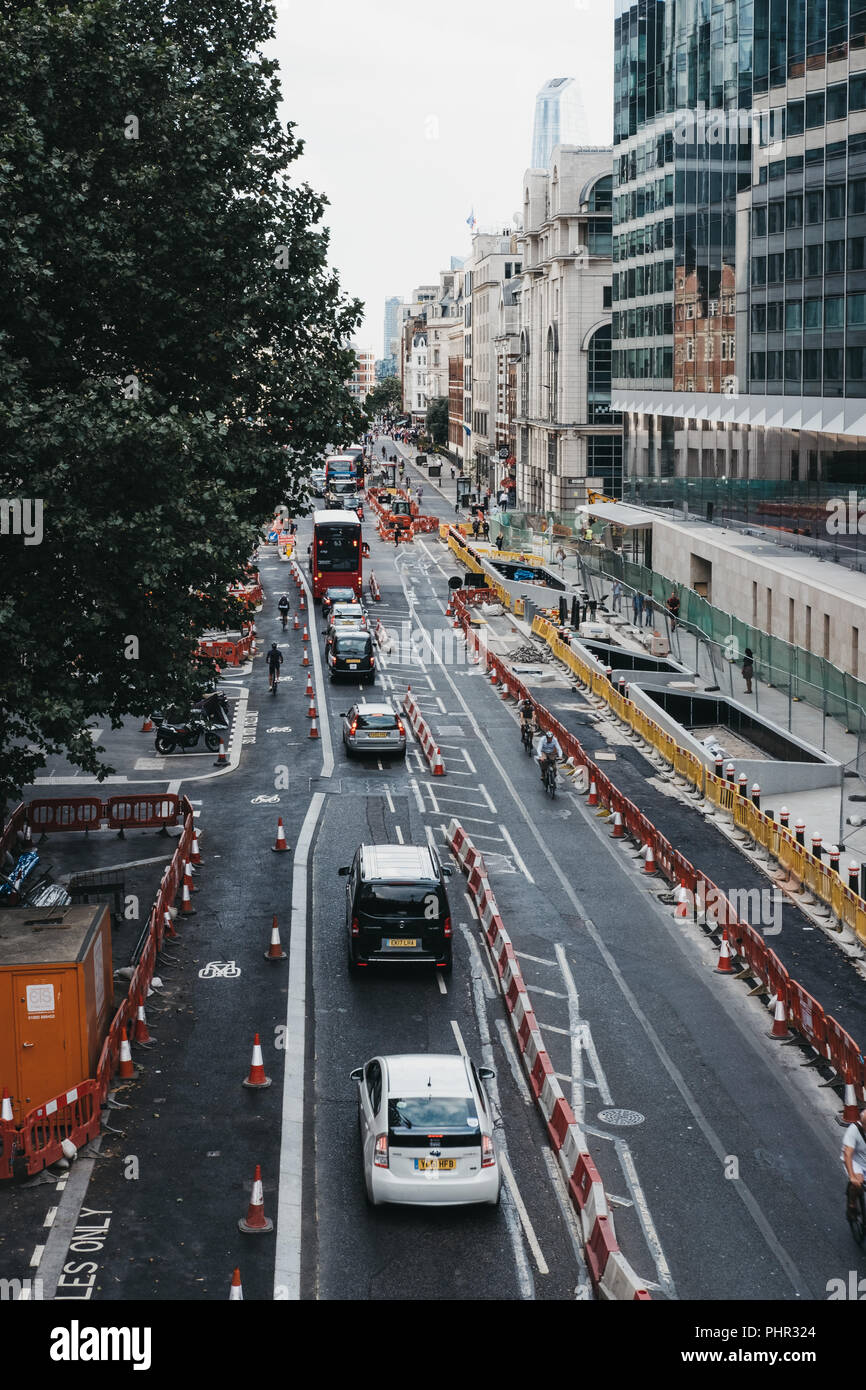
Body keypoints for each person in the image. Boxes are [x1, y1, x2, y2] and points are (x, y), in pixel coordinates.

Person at [842, 1106, 866, 1216]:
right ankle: (852, 1205)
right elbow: (848, 1154)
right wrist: (852, 1176)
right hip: (855, 1161)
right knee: (858, 1182)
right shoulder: (854, 1129)